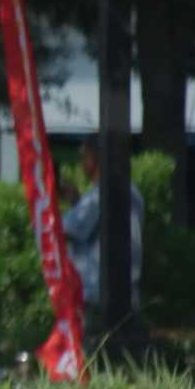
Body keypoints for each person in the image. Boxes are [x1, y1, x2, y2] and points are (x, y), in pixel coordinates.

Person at [61, 138, 144, 341]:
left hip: (97, 293)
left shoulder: (98, 195)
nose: (82, 164)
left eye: (84, 157)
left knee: (92, 347)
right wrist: (77, 202)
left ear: (94, 159)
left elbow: (67, 230)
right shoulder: (132, 191)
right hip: (128, 292)